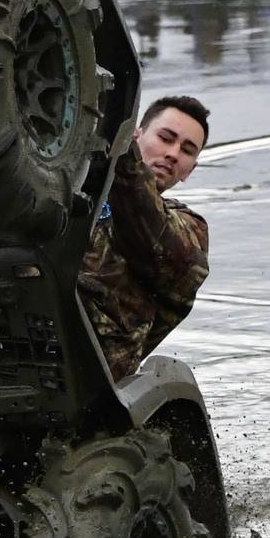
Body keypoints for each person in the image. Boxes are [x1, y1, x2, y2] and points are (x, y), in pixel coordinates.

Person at [79, 95, 211, 383]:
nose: (173, 153)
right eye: (166, 138)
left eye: (187, 150)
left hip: (89, 377)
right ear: (139, 134)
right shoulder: (74, 191)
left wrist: (121, 149)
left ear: (190, 170)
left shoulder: (190, 230)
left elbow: (151, 236)